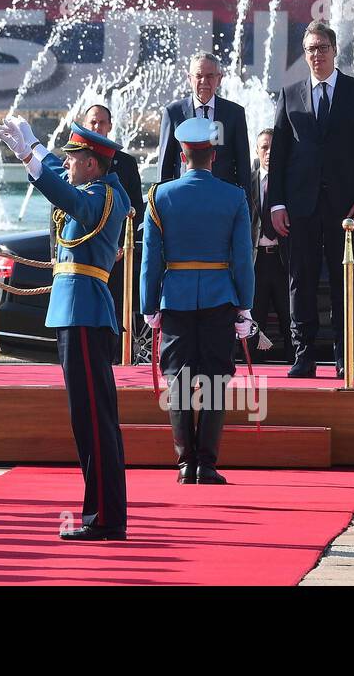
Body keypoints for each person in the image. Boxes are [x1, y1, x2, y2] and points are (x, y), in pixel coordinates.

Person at [0, 116, 130, 541]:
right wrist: (32, 149)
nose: (68, 164)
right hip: (75, 313)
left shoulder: (105, 196)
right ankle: (101, 512)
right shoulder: (93, 187)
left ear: (92, 164)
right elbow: (60, 176)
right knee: (86, 419)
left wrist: (34, 163)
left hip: (86, 313)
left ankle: (106, 517)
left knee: (94, 418)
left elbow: (68, 196)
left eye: (75, 158)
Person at [141, 118, 255, 485]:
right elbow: (242, 258)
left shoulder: (159, 196)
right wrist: (245, 306)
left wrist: (149, 304)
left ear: (181, 153)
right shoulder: (234, 196)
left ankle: (184, 463)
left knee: (179, 381)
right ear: (214, 155)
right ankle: (206, 463)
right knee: (216, 380)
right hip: (220, 297)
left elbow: (150, 259)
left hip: (174, 298)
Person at [269, 21, 354, 378]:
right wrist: (277, 204)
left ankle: (344, 355)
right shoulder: (290, 94)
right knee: (299, 281)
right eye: (310, 49)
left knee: (343, 281)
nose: (316, 55)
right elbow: (280, 154)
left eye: (322, 48)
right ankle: (303, 355)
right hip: (300, 207)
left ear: (334, 50)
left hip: (346, 209)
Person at [77, 104, 144, 359]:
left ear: (110, 126)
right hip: (81, 254)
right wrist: (55, 252)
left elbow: (136, 206)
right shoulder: (73, 161)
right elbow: (58, 211)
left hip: (114, 255)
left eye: (102, 123)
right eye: (93, 122)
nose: (97, 127)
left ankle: (114, 360)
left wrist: (118, 243)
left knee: (114, 310)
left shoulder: (125, 163)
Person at [157, 52, 252, 204]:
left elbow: (243, 165)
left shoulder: (234, 113)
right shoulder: (173, 113)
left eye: (210, 76)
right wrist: (161, 203)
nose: (204, 81)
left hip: (222, 200)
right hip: (183, 199)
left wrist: (244, 205)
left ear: (219, 78)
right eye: (199, 76)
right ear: (189, 78)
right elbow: (165, 165)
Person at [250, 128, 291, 364]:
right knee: (255, 321)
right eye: (264, 147)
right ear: (257, 151)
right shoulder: (249, 181)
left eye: (273, 147)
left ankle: (297, 367)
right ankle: (253, 370)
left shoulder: (289, 182)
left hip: (283, 260)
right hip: (257, 261)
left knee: (289, 319)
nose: (269, 152)